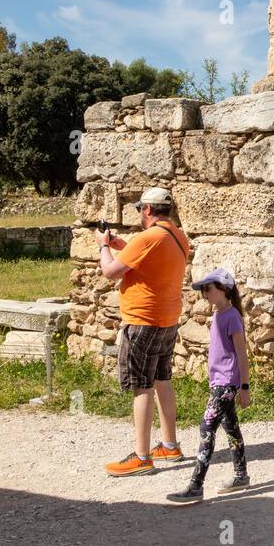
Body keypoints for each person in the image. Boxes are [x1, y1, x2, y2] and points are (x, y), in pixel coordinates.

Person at [95, 186, 191, 476]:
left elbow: (110, 271)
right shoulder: (176, 235)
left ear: (148, 210)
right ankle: (170, 444)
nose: (139, 214)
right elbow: (149, 257)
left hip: (143, 320)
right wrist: (121, 244)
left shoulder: (148, 237)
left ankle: (142, 456)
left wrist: (103, 245)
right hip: (167, 317)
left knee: (142, 384)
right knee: (162, 378)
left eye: (140, 209)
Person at [167, 268, 250, 505]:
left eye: (208, 288)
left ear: (224, 290)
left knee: (206, 428)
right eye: (203, 289)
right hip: (218, 383)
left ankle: (196, 486)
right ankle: (241, 475)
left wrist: (244, 386)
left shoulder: (232, 317)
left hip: (227, 384)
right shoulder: (219, 315)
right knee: (231, 428)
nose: (204, 293)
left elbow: (241, 355)